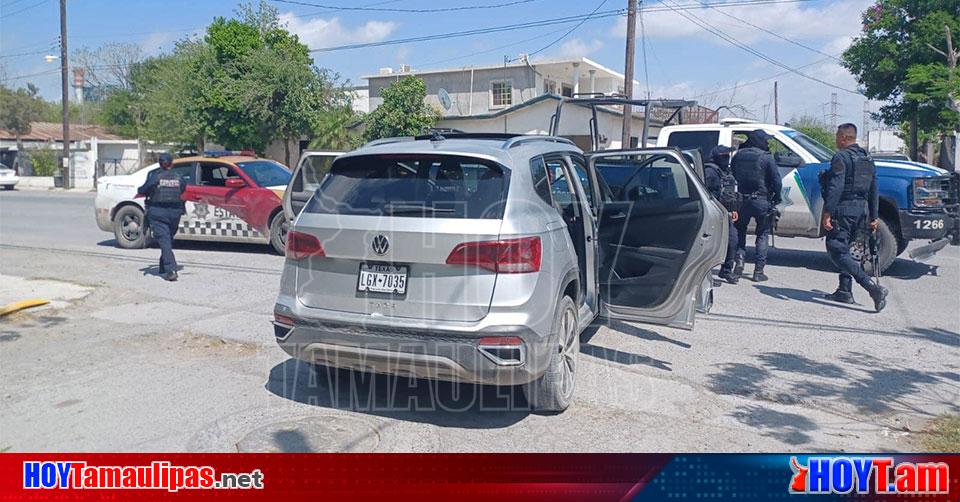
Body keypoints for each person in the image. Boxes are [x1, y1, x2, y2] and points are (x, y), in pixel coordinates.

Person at [821, 123, 888, 312]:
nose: (835, 138)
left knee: (836, 249)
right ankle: (844, 290)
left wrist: (827, 212)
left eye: (837, 135)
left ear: (843, 138)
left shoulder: (841, 157)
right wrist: (874, 216)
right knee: (847, 249)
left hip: (844, 210)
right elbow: (874, 188)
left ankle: (872, 288)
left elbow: (836, 187)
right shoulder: (867, 158)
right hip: (861, 211)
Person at [731, 129, 782, 282]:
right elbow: (777, 181)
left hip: (741, 200)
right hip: (761, 200)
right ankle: (758, 271)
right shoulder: (766, 157)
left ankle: (739, 263)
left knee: (740, 232)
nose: (767, 143)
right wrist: (777, 197)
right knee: (762, 234)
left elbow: (733, 174)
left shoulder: (738, 155)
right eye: (765, 140)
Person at [137, 153, 185, 281]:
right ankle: (164, 266)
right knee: (167, 240)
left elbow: (142, 190)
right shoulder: (179, 177)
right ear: (171, 164)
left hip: (158, 212)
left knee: (165, 241)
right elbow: (183, 188)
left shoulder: (155, 176)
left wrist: (143, 190)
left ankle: (170, 270)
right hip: (175, 213)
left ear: (160, 164)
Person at [703, 145, 742, 283]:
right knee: (709, 244)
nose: (726, 158)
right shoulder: (710, 172)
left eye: (727, 156)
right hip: (712, 213)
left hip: (725, 213)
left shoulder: (725, 172)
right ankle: (704, 273)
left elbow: (730, 193)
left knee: (733, 240)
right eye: (723, 156)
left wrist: (733, 209)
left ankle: (726, 271)